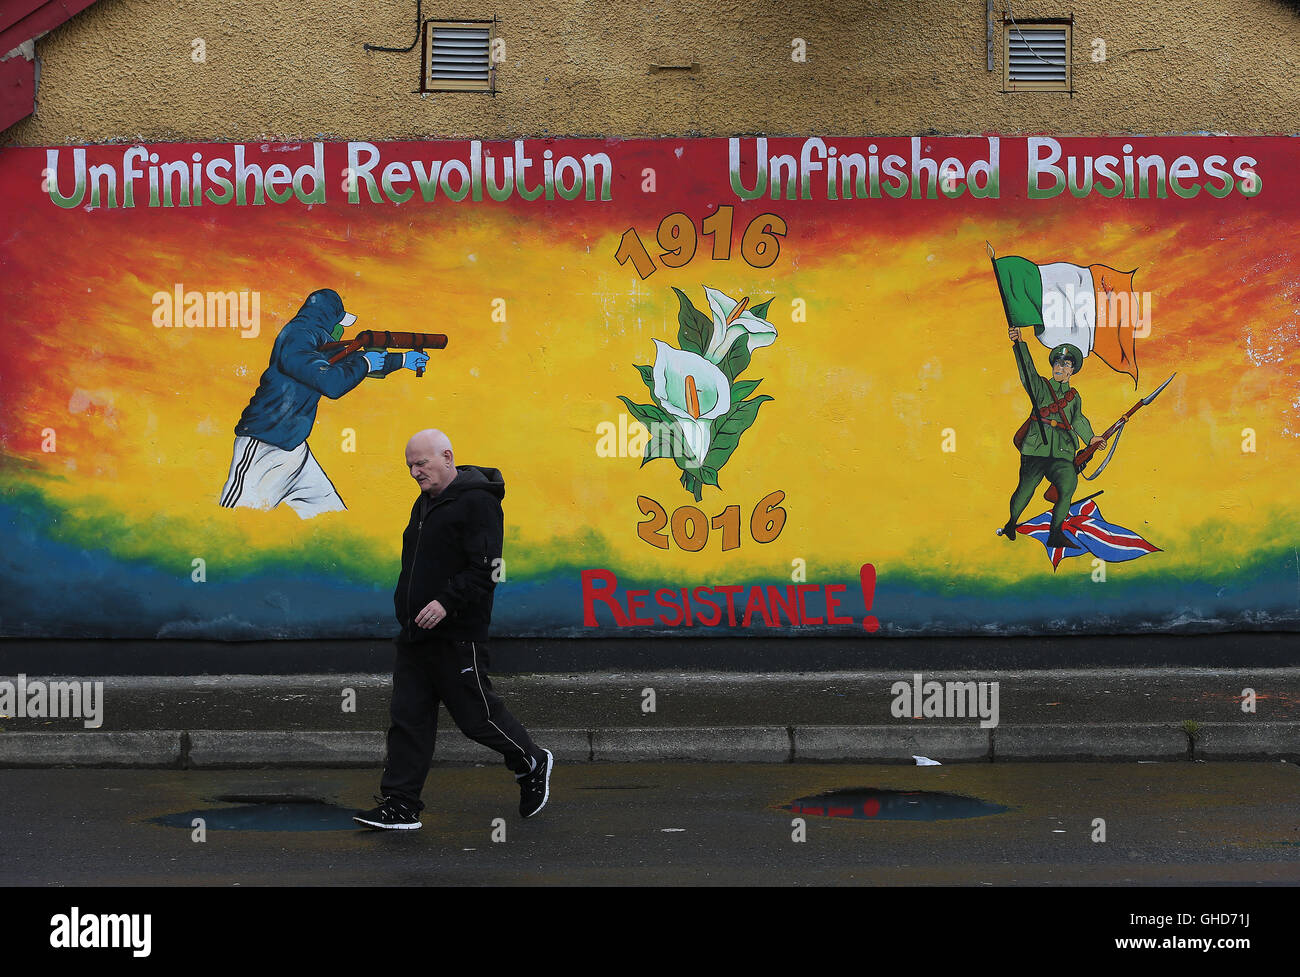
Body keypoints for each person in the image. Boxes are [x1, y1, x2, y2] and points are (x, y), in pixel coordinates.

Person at [354, 429, 553, 830]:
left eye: (420, 463)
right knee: (408, 719)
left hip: (457, 635)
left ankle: (531, 760)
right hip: (416, 635)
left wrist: (445, 602)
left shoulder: (479, 503)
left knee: (477, 718)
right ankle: (401, 804)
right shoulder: (424, 503)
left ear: (447, 456)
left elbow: (486, 571)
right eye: (409, 465)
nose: (414, 472)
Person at [219, 288, 427, 519]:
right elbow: (331, 383)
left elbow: (350, 358)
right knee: (234, 519)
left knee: (332, 515)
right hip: (264, 446)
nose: (339, 330)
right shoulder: (296, 338)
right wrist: (366, 364)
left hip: (294, 448)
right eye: (338, 323)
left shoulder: (315, 339)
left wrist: (403, 360)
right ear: (327, 318)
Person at [1004, 328, 1105, 548]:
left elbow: (1078, 419)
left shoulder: (1074, 396)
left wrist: (1091, 439)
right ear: (1053, 366)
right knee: (1026, 489)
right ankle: (1012, 522)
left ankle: (1055, 533)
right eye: (1058, 363)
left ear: (1072, 371)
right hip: (1036, 449)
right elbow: (1028, 372)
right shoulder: (1040, 387)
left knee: (1068, 483)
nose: (1060, 367)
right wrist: (1020, 344)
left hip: (1062, 452)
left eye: (1066, 365)